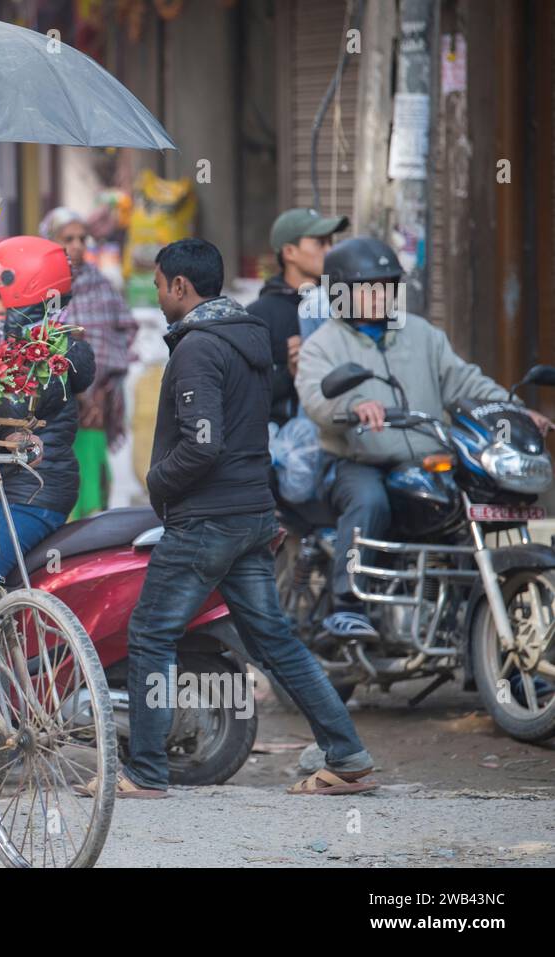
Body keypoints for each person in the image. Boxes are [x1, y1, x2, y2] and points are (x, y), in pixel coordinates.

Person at [113, 237, 376, 799]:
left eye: (160, 285)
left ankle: (146, 772)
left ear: (181, 286)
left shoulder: (198, 349)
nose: (158, 296)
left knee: (151, 633)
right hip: (253, 514)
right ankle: (348, 755)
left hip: (208, 521)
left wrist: (158, 481)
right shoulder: (248, 337)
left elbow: (202, 445)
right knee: (277, 641)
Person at [296, 236, 553, 639]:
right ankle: (347, 605)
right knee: (369, 502)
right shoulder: (324, 344)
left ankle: (471, 628)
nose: (380, 295)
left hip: (427, 463)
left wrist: (515, 409)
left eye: (387, 286)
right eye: (369, 287)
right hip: (357, 462)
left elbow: (465, 381)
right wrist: (355, 406)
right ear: (341, 293)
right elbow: (315, 396)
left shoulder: (421, 334)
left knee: (468, 503)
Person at [0, 236, 95, 583]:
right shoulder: (23, 349)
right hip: (14, 490)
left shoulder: (45, 359)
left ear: (25, 297)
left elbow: (7, 416)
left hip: (30, 494)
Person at [39, 206, 136, 518]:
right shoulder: (41, 286)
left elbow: (123, 330)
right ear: (51, 241)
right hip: (56, 402)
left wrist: (101, 387)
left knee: (92, 488)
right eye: (68, 238)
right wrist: (75, 388)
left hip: (98, 403)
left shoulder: (101, 284)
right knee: (63, 487)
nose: (78, 245)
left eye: (83, 238)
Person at [247, 207, 348, 426]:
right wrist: (290, 374)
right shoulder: (260, 315)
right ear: (289, 252)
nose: (330, 250)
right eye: (320, 243)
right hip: (285, 444)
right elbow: (243, 394)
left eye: (332, 242)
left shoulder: (341, 304)